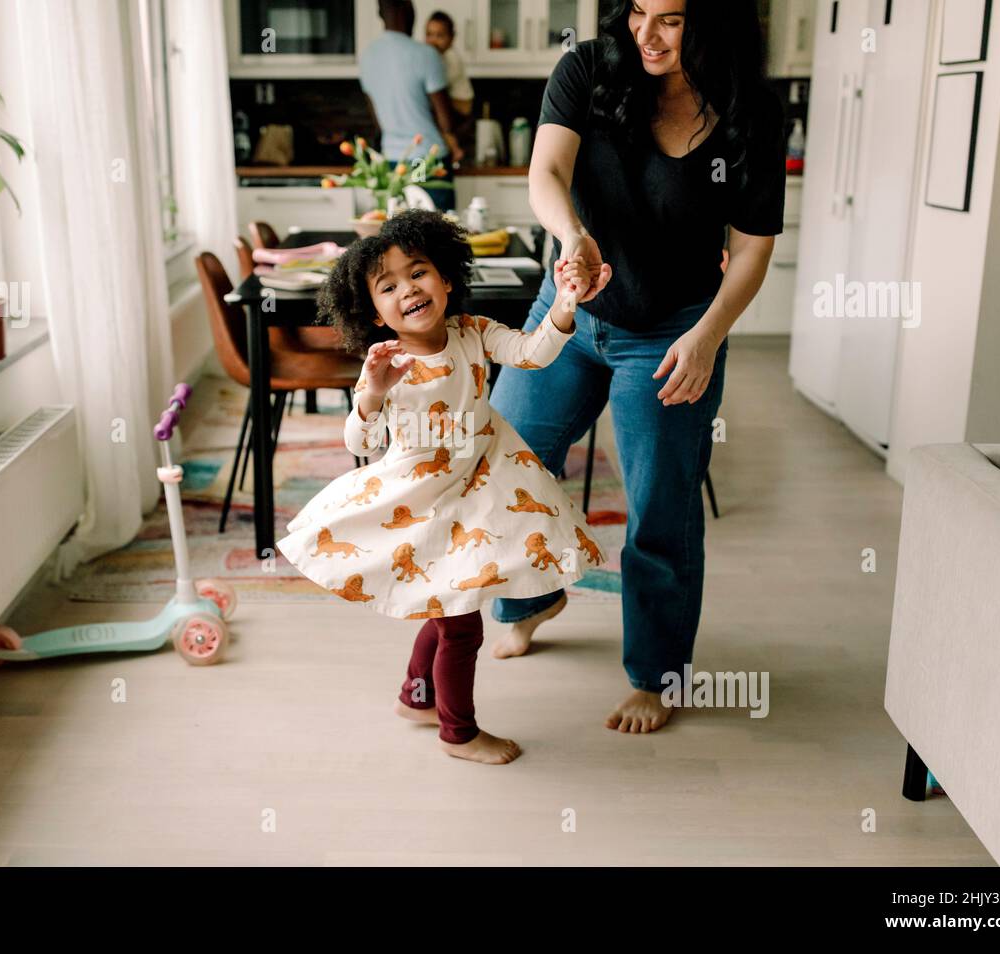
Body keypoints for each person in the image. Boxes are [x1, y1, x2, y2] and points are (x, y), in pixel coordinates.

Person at [487, 0, 786, 734]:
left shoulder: (752, 109)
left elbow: (751, 247)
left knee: (659, 505)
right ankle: (531, 599)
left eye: (673, 19)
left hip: (674, 330)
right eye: (637, 13)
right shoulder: (588, 71)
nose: (645, 35)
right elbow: (546, 172)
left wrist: (711, 334)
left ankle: (656, 675)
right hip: (570, 313)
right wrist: (572, 235)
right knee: (508, 462)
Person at [276, 211, 603, 765]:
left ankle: (416, 696)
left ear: (446, 279)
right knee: (461, 626)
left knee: (448, 602)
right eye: (389, 285)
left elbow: (533, 354)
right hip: (421, 501)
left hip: (477, 484)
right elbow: (360, 436)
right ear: (374, 313)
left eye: (418, 272)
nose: (408, 289)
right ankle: (459, 733)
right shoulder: (387, 364)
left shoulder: (472, 331)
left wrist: (567, 305)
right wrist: (372, 394)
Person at [360, 0, 463, 211]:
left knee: (401, 232)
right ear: (409, 12)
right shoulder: (426, 55)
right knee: (438, 233)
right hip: (424, 160)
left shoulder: (367, 56)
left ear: (381, 15)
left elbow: (377, 120)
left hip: (393, 162)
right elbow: (446, 121)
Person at [424, 12, 474, 117]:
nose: (433, 41)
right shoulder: (433, 59)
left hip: (460, 112)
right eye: (429, 34)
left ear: (451, 39)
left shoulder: (452, 59)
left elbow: (434, 92)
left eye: (440, 36)